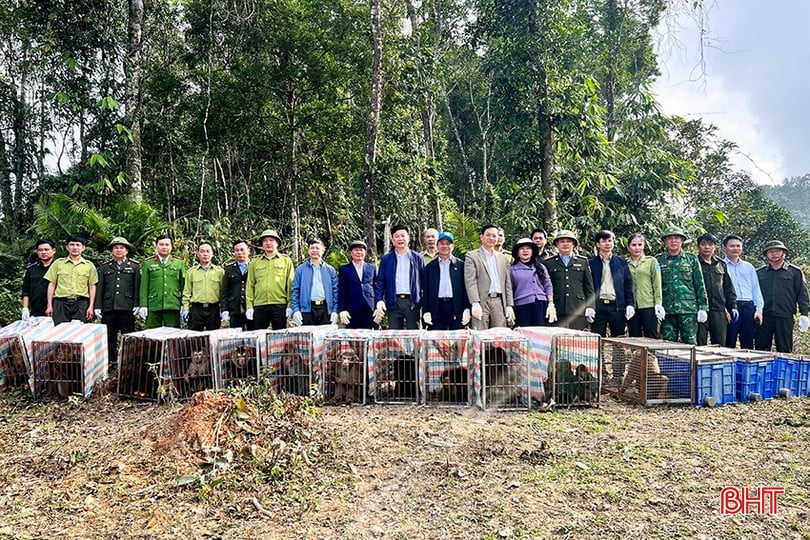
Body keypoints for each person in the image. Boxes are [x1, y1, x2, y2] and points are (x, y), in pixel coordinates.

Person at [755, 240, 810, 353]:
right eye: (770, 252)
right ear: (766, 255)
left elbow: (802, 294)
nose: (774, 254)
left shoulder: (795, 272)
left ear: (784, 253)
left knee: (785, 350)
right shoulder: (759, 273)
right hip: (764, 316)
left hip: (785, 316)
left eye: (777, 251)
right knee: (761, 349)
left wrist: (804, 314)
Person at [656, 227, 708, 344]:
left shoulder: (691, 259)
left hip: (688, 309)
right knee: (668, 346)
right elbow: (655, 284)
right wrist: (657, 305)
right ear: (665, 242)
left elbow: (699, 284)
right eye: (669, 238)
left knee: (690, 343)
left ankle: (690, 363)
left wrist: (703, 308)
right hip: (667, 310)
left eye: (676, 238)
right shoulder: (658, 260)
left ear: (682, 241)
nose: (673, 241)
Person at [95, 237, 141, 367]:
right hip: (109, 307)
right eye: (116, 248)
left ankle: (129, 361)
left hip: (127, 307)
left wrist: (137, 304)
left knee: (129, 336)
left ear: (127, 250)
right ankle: (110, 361)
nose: (119, 250)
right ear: (112, 251)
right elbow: (101, 288)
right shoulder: (105, 267)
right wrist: (98, 306)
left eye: (122, 247)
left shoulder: (134, 266)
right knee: (109, 336)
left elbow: (137, 286)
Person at [464, 224, 515, 329]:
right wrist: (475, 302)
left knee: (500, 337)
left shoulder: (503, 258)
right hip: (482, 301)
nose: (491, 238)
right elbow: (470, 281)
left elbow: (507, 284)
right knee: (480, 336)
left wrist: (509, 305)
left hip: (499, 302)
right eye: (488, 235)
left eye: (494, 236)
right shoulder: (472, 256)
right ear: (481, 237)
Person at [374, 224, 425, 329]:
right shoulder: (386, 259)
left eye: (403, 235)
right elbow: (380, 282)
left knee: (413, 336)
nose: (400, 239)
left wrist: (425, 304)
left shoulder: (417, 258)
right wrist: (379, 300)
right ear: (392, 240)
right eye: (397, 236)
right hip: (393, 302)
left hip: (412, 302)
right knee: (394, 337)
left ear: (408, 238)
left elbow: (424, 282)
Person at [543, 230, 595, 330]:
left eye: (568, 241)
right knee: (558, 339)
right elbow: (546, 286)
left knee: (577, 341)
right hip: (557, 308)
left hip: (578, 307)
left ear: (573, 244)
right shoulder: (549, 263)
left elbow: (589, 287)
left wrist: (591, 306)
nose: (565, 244)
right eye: (562, 241)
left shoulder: (583, 261)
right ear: (557, 244)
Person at [588, 230, 635, 338]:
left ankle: (618, 356)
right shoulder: (591, 263)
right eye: (604, 241)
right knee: (597, 339)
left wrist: (630, 304)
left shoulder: (621, 262)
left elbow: (627, 284)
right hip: (598, 306)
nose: (607, 243)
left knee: (618, 339)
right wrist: (589, 307)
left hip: (616, 306)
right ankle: (599, 356)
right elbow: (588, 286)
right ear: (598, 244)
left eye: (610, 241)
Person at [245, 229, 294, 330]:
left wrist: (290, 305)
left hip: (279, 304)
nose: (268, 243)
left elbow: (290, 284)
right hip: (259, 305)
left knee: (279, 338)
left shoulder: (286, 260)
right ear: (262, 244)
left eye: (271, 240)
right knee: (259, 337)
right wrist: (249, 306)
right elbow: (250, 284)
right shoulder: (255, 262)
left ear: (277, 243)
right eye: (265, 241)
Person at [44, 234, 97, 324]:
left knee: (79, 332)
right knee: (60, 332)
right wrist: (49, 305)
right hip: (60, 303)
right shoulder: (58, 263)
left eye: (78, 245)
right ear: (67, 247)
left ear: (83, 248)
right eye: (72, 244)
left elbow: (92, 287)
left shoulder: (89, 265)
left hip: (81, 303)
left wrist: (91, 306)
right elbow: (52, 284)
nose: (75, 247)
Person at [722, 234, 764, 349]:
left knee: (748, 342)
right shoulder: (720, 265)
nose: (735, 248)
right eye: (732, 246)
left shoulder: (749, 267)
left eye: (738, 246)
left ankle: (747, 367)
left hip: (748, 308)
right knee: (729, 341)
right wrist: (724, 309)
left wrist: (759, 310)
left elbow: (756, 289)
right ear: (724, 248)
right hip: (731, 307)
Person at [422, 232, 470, 330]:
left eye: (448, 243)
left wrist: (467, 308)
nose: (445, 246)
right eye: (442, 243)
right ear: (437, 245)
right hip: (437, 307)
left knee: (458, 340)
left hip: (456, 307)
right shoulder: (430, 267)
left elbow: (467, 289)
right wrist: (426, 310)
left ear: (453, 246)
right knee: (436, 340)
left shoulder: (461, 265)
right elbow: (425, 291)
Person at [696, 233, 737, 346]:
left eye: (710, 244)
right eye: (703, 244)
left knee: (720, 344)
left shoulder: (721, 265)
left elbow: (728, 288)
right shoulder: (694, 263)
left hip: (718, 310)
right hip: (699, 310)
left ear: (715, 247)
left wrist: (732, 307)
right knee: (699, 343)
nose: (707, 247)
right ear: (698, 246)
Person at [139, 234, 186, 329]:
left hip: (173, 304)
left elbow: (183, 285)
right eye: (161, 244)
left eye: (167, 244)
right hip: (154, 304)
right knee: (151, 336)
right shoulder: (149, 263)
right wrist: (143, 305)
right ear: (156, 246)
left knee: (173, 335)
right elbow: (144, 286)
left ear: (171, 247)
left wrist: (183, 304)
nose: (164, 247)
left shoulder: (179, 263)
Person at [291, 238, 339, 326]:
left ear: (323, 251)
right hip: (306, 309)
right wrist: (295, 310)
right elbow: (295, 290)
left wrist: (335, 310)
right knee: (307, 338)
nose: (314, 250)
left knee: (325, 337)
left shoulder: (330, 270)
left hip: (325, 309)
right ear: (308, 251)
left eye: (317, 248)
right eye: (312, 248)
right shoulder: (300, 270)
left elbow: (335, 291)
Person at [625, 233, 664, 338]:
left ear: (644, 245)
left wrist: (658, 303)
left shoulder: (651, 261)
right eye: (634, 245)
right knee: (634, 336)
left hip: (648, 304)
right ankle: (636, 355)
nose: (637, 248)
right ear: (628, 247)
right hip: (631, 306)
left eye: (639, 244)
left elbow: (657, 283)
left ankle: (650, 355)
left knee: (650, 336)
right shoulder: (625, 263)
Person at [510, 238, 555, 326]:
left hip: (541, 304)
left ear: (532, 252)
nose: (525, 251)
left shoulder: (541, 267)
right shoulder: (512, 270)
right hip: (522, 306)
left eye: (528, 248)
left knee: (541, 333)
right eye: (522, 249)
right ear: (517, 253)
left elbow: (548, 285)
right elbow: (510, 290)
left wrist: (551, 303)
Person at [182, 242, 225, 331]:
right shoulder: (191, 272)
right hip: (196, 310)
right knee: (194, 339)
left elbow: (223, 293)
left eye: (208, 251)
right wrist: (185, 309)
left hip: (214, 309)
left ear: (212, 254)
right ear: (198, 254)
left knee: (213, 338)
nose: (205, 254)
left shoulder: (220, 272)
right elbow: (187, 292)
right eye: (202, 251)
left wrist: (223, 309)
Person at [338, 240, 378, 329]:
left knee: (371, 338)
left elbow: (377, 287)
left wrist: (378, 306)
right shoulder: (344, 270)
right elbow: (342, 291)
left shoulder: (372, 267)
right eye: (356, 250)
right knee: (353, 339)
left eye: (361, 250)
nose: (359, 252)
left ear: (365, 252)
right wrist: (342, 309)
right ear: (351, 253)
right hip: (352, 310)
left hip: (370, 309)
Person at [221, 239, 252, 330]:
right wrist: (224, 309)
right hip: (235, 309)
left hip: (252, 309)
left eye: (242, 250)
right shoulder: (229, 269)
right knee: (236, 339)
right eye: (236, 250)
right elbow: (225, 292)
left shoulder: (254, 267)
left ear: (248, 251)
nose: (239, 253)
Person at [22, 239, 56, 319]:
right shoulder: (31, 269)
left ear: (53, 250)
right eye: (40, 250)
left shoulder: (59, 267)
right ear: (37, 252)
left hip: (56, 307)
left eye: (46, 249)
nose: (43, 252)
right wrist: (25, 308)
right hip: (36, 308)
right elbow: (25, 291)